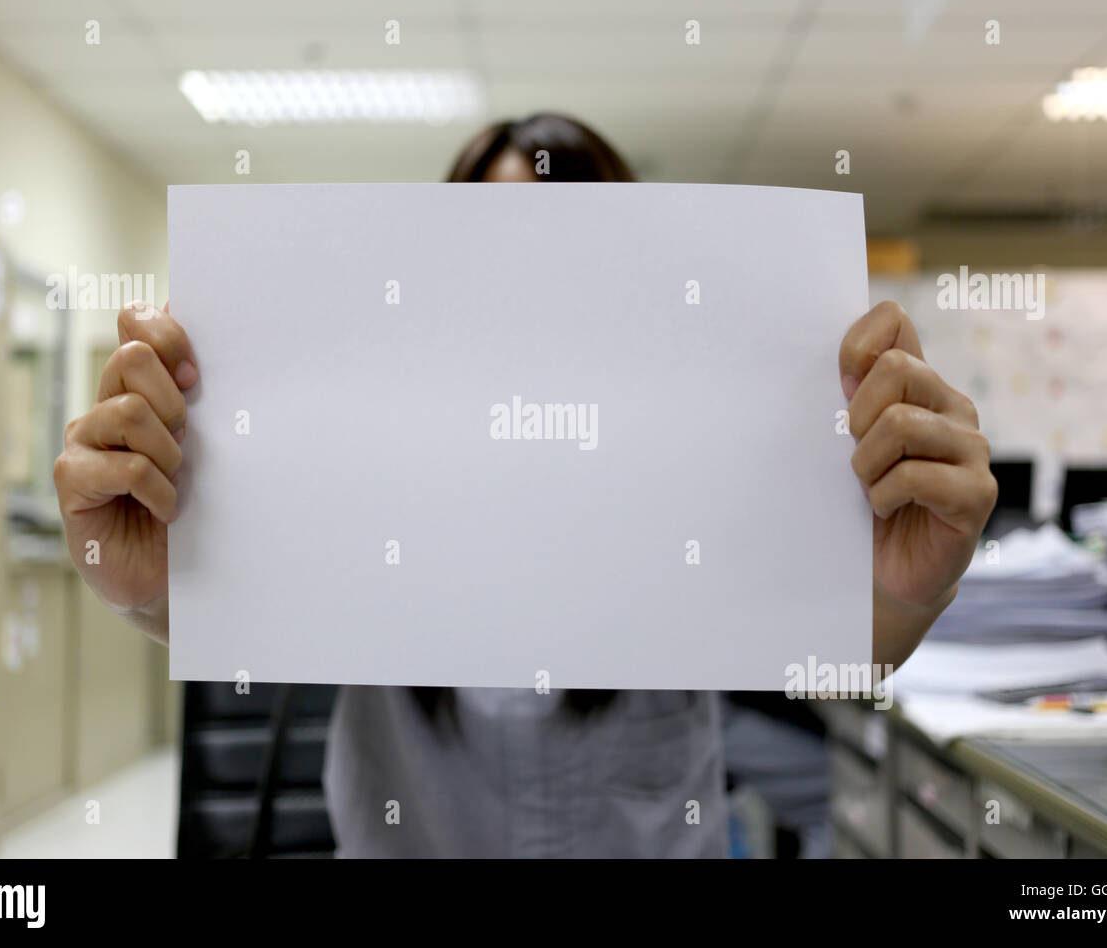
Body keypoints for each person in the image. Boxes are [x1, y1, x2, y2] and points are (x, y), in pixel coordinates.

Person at [53, 113, 997, 857]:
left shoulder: (700, 458)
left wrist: (914, 589)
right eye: (489, 247)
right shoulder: (368, 446)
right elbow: (248, 596)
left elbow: (834, 651)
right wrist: (139, 587)